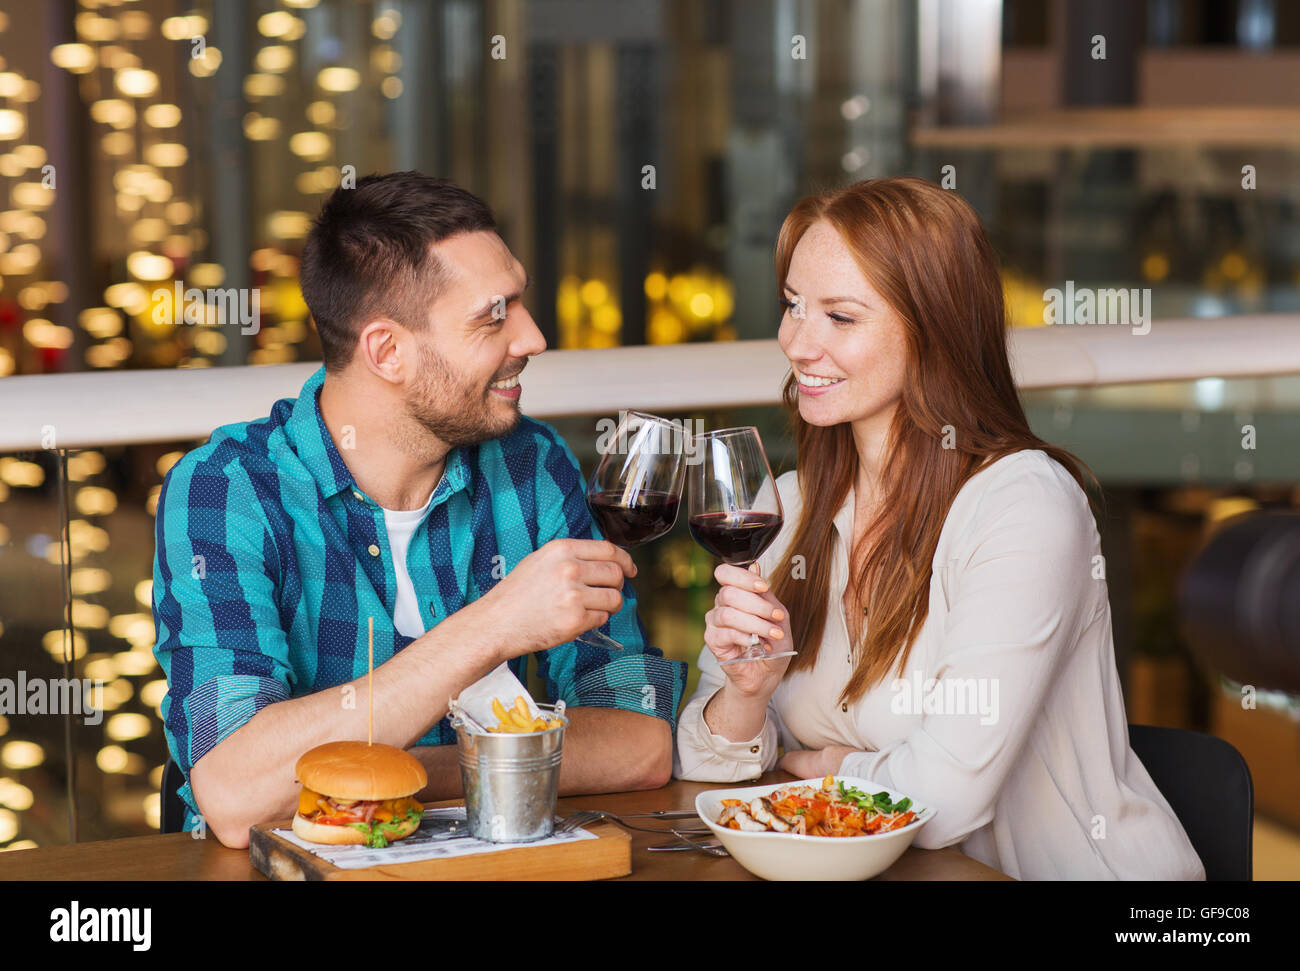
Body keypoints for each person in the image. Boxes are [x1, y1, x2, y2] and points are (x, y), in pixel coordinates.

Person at [672, 176, 1204, 881]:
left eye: (841, 317)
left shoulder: (1022, 505)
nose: (798, 343)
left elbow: (939, 802)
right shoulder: (790, 509)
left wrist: (824, 767)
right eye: (793, 305)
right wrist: (746, 694)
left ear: (933, 329)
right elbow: (703, 765)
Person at [153, 171, 685, 848]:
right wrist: (493, 626)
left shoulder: (533, 467)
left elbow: (641, 742)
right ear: (388, 351)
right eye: (495, 313)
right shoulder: (227, 490)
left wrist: (372, 778)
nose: (532, 337)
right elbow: (234, 792)